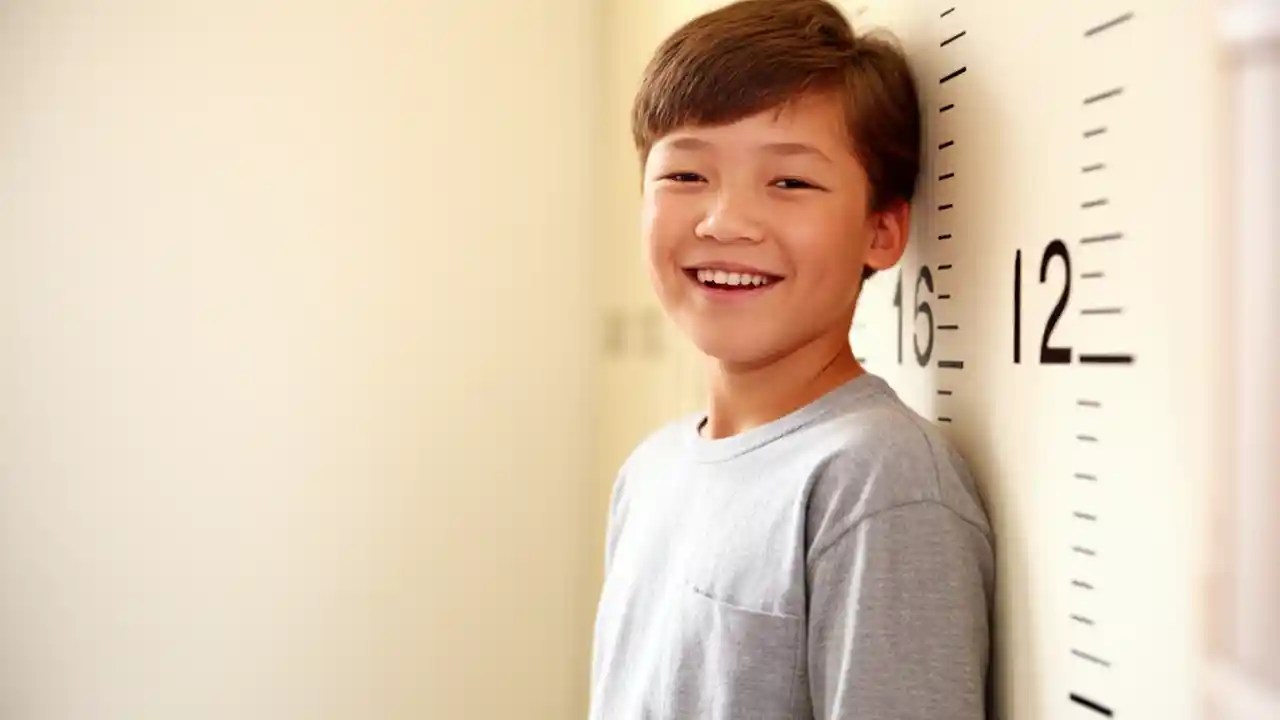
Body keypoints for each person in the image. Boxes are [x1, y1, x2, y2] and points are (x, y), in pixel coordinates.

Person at [588, 0, 994, 718]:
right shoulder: (648, 472)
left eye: (791, 183)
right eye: (685, 176)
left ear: (882, 229)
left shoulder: (875, 479)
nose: (725, 223)